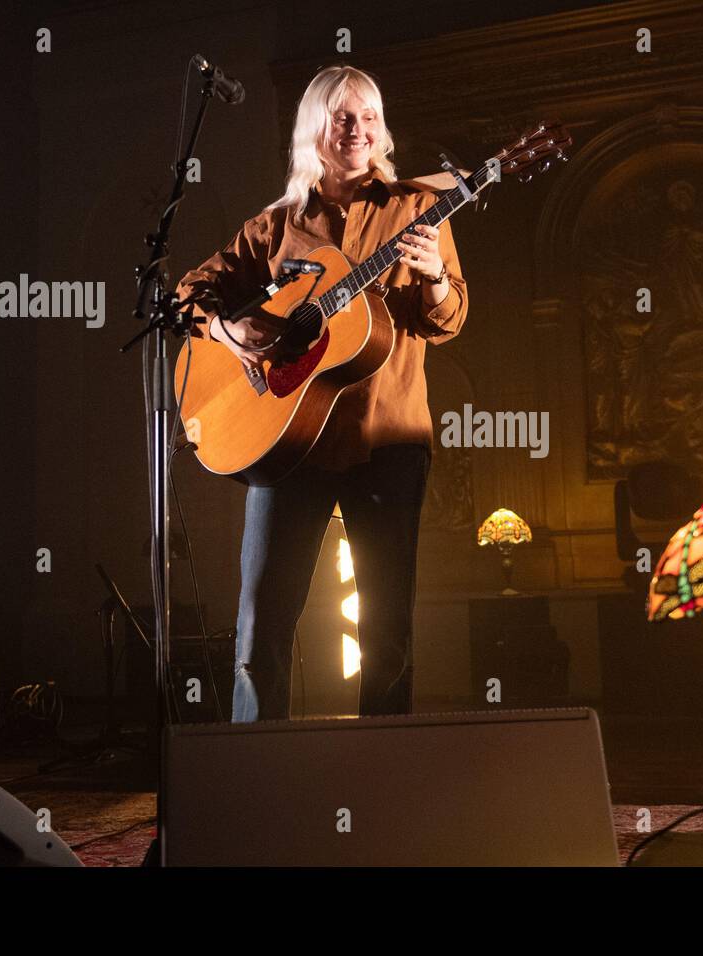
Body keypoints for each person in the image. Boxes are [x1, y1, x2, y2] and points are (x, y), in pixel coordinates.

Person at [176, 64, 468, 720]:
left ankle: (385, 782)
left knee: (387, 633)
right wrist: (227, 328)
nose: (358, 130)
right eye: (343, 117)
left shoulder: (419, 205)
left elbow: (445, 320)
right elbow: (189, 293)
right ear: (315, 128)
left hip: (387, 441)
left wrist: (435, 278)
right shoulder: (277, 223)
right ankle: (257, 777)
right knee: (259, 633)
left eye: (368, 116)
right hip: (289, 445)